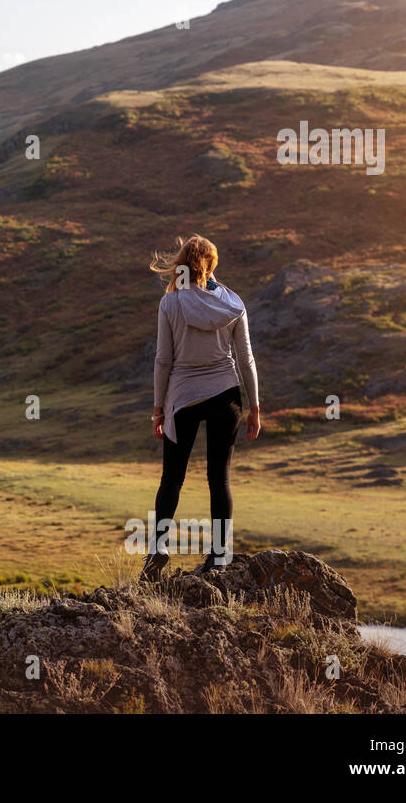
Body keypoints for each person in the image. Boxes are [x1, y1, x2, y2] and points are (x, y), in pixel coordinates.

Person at [142, 235, 260, 580]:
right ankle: (220, 556)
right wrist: (254, 406)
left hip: (183, 397)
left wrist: (157, 410)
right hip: (226, 394)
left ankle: (158, 549)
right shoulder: (233, 304)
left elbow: (163, 360)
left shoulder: (171, 304)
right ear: (210, 265)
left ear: (181, 264)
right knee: (219, 477)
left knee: (172, 478)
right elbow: (246, 358)